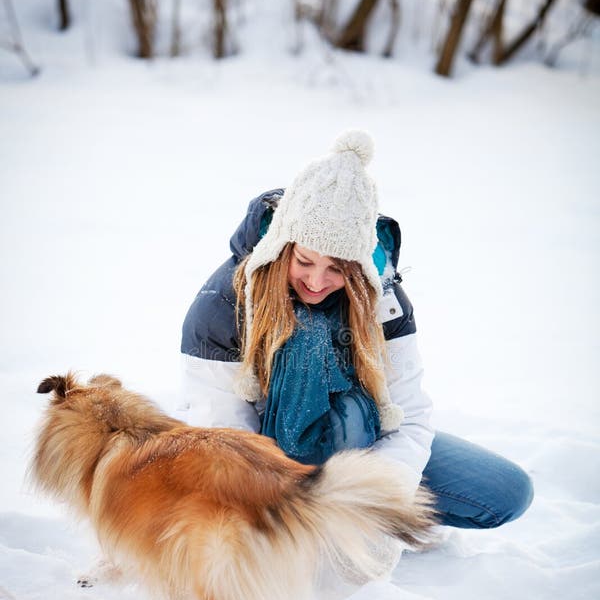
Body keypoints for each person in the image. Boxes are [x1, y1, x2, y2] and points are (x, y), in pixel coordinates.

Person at [179, 130, 533, 530]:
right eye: (305, 261)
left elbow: (411, 413)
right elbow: (226, 435)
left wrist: (377, 496)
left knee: (505, 491)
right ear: (282, 246)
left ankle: (352, 518)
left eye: (338, 269)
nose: (316, 280)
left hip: (361, 439)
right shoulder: (225, 303)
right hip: (268, 455)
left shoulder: (382, 297)